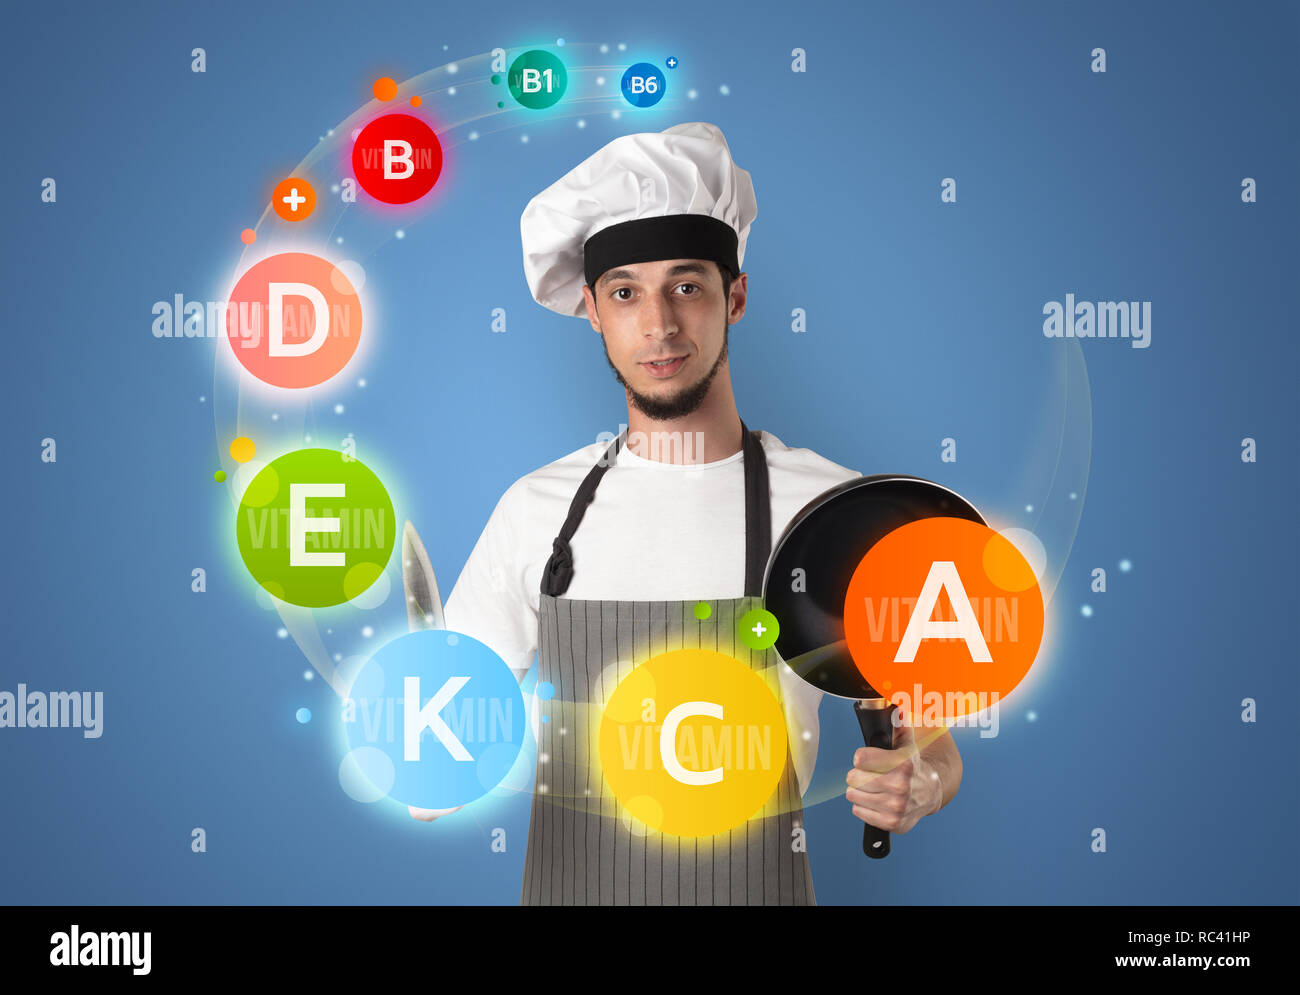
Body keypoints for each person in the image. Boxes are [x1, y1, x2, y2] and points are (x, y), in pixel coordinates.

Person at [424, 121, 962, 905]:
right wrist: (417, 758)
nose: (659, 326)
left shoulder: (833, 508)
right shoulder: (535, 512)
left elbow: (934, 734)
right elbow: (440, 735)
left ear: (734, 295)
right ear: (593, 311)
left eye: (686, 285)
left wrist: (922, 779)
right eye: (625, 292)